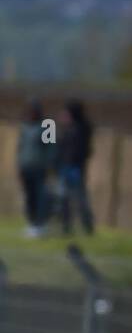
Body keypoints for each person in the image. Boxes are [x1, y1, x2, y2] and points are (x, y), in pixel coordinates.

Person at [55, 99, 95, 235]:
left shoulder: (81, 129)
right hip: (66, 167)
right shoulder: (69, 128)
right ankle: (66, 227)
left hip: (75, 168)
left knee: (79, 199)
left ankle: (87, 227)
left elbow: (80, 151)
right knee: (63, 198)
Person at [15, 100, 52, 237]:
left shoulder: (46, 126)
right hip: (26, 167)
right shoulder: (24, 126)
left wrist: (49, 164)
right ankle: (31, 223)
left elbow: (51, 148)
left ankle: (40, 224)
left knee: (40, 197)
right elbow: (20, 148)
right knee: (29, 197)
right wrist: (19, 164)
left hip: (39, 168)